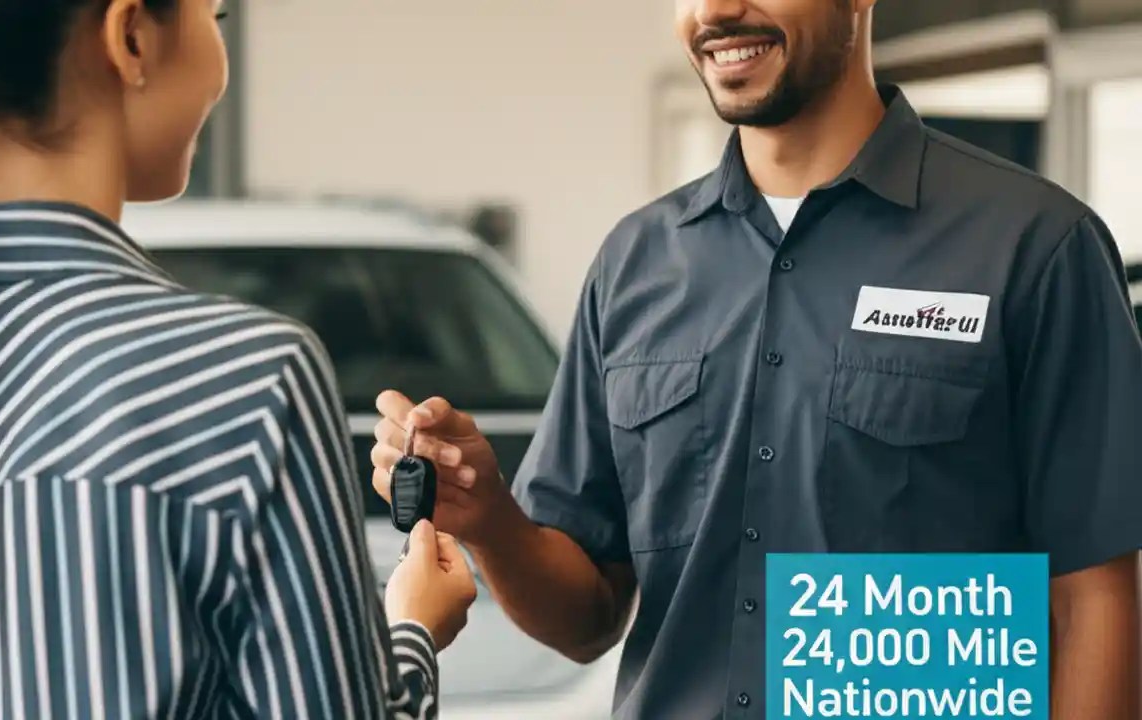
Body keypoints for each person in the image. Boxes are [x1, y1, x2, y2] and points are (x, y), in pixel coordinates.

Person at [371, 0, 1142, 718]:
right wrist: (491, 521)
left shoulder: (1034, 248)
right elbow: (587, 620)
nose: (716, 11)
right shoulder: (636, 265)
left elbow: (1093, 602)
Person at [0, 0, 476, 717]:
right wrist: (412, 633)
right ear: (130, 36)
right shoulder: (249, 377)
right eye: (214, 16)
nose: (219, 57)